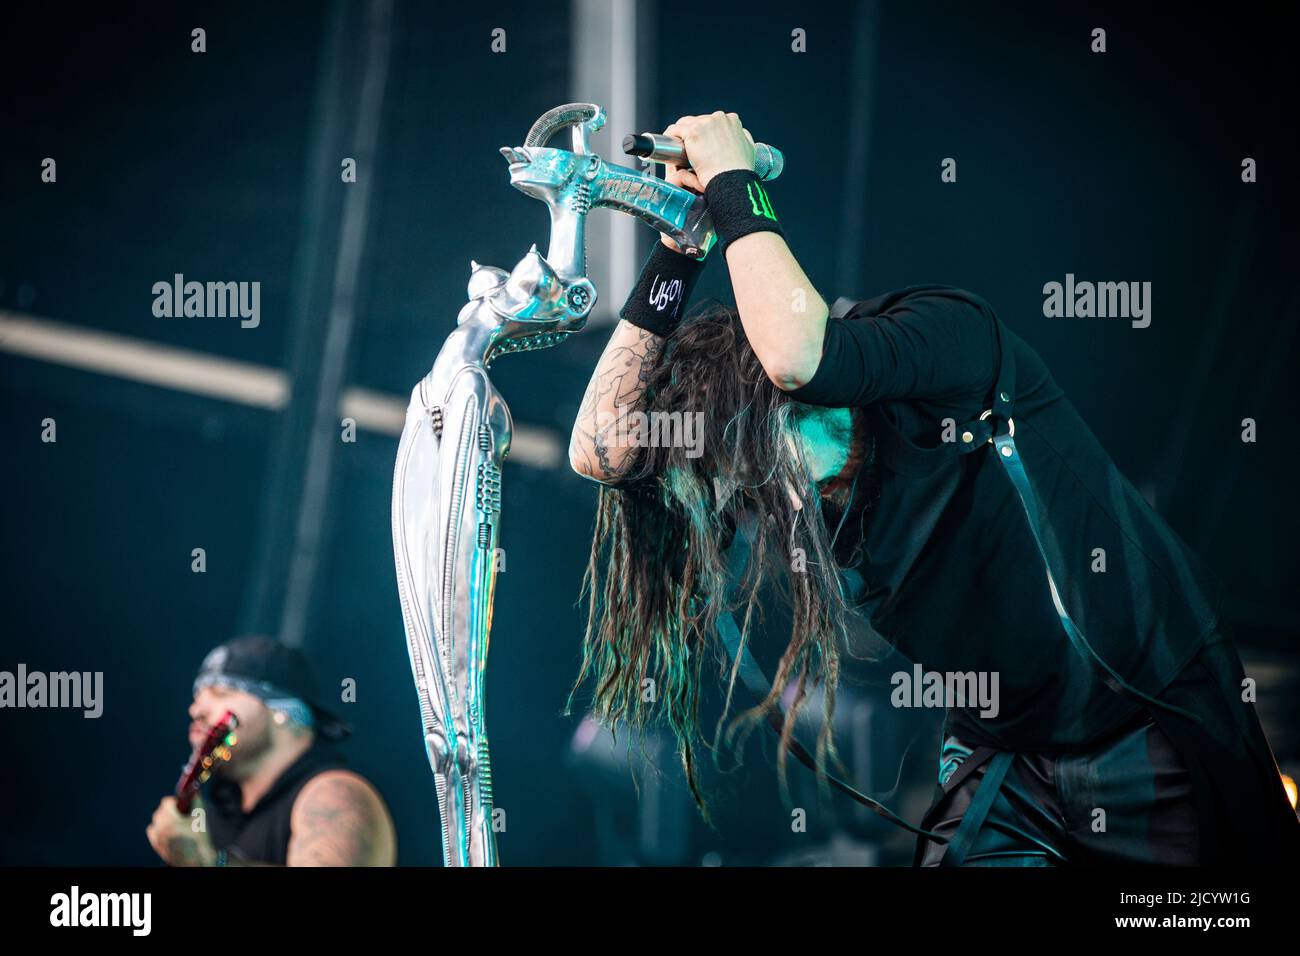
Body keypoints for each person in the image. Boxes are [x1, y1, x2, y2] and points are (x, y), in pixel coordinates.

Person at [565, 110, 1300, 865]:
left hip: (1149, 717)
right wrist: (680, 249)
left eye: (733, 450)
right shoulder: (772, 477)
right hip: (1010, 756)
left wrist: (733, 183)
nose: (726, 491)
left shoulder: (944, 341)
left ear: (771, 410)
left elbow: (795, 355)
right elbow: (600, 450)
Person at [147, 635, 397, 866]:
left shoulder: (336, 793)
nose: (196, 710)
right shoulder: (215, 815)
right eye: (197, 697)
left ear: (282, 711)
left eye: (222, 693)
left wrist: (210, 863)